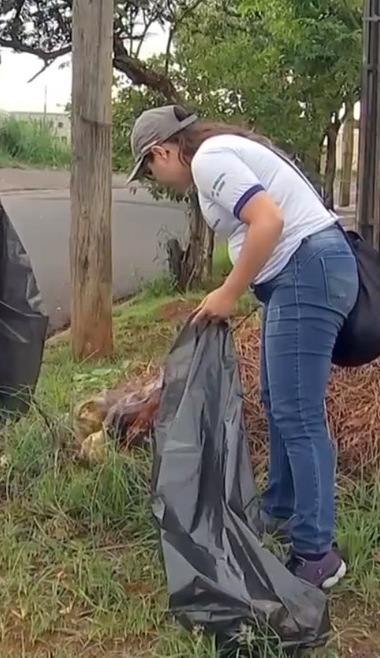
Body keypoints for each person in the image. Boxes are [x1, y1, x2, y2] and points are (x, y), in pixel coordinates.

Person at [127, 105, 357, 590]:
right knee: (280, 405)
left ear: (162, 150)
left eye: (150, 167)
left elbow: (268, 222)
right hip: (297, 276)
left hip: (306, 271)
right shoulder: (218, 154)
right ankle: (280, 511)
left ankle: (317, 555)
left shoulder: (209, 159)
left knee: (299, 414)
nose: (156, 178)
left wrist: (229, 293)